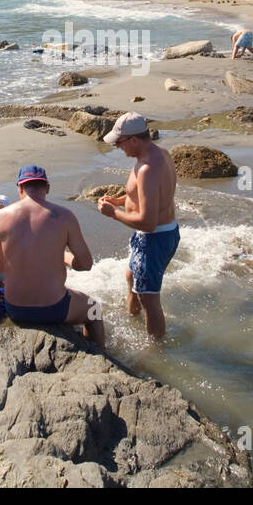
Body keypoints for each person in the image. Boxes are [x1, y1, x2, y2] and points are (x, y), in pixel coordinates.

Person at [0, 165, 104, 349]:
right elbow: (85, 264)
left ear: (20, 188)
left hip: (15, 309)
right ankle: (99, 355)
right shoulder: (65, 216)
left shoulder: (1, 217)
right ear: (47, 188)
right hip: (54, 308)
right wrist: (63, 257)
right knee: (94, 310)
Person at [98, 113, 179, 341]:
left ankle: (156, 350)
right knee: (131, 276)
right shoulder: (158, 154)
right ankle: (131, 316)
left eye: (118, 142)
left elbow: (148, 222)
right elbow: (149, 195)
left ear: (133, 140)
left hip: (154, 238)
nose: (117, 147)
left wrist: (113, 213)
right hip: (163, 233)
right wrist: (120, 201)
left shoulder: (147, 169)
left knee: (149, 299)